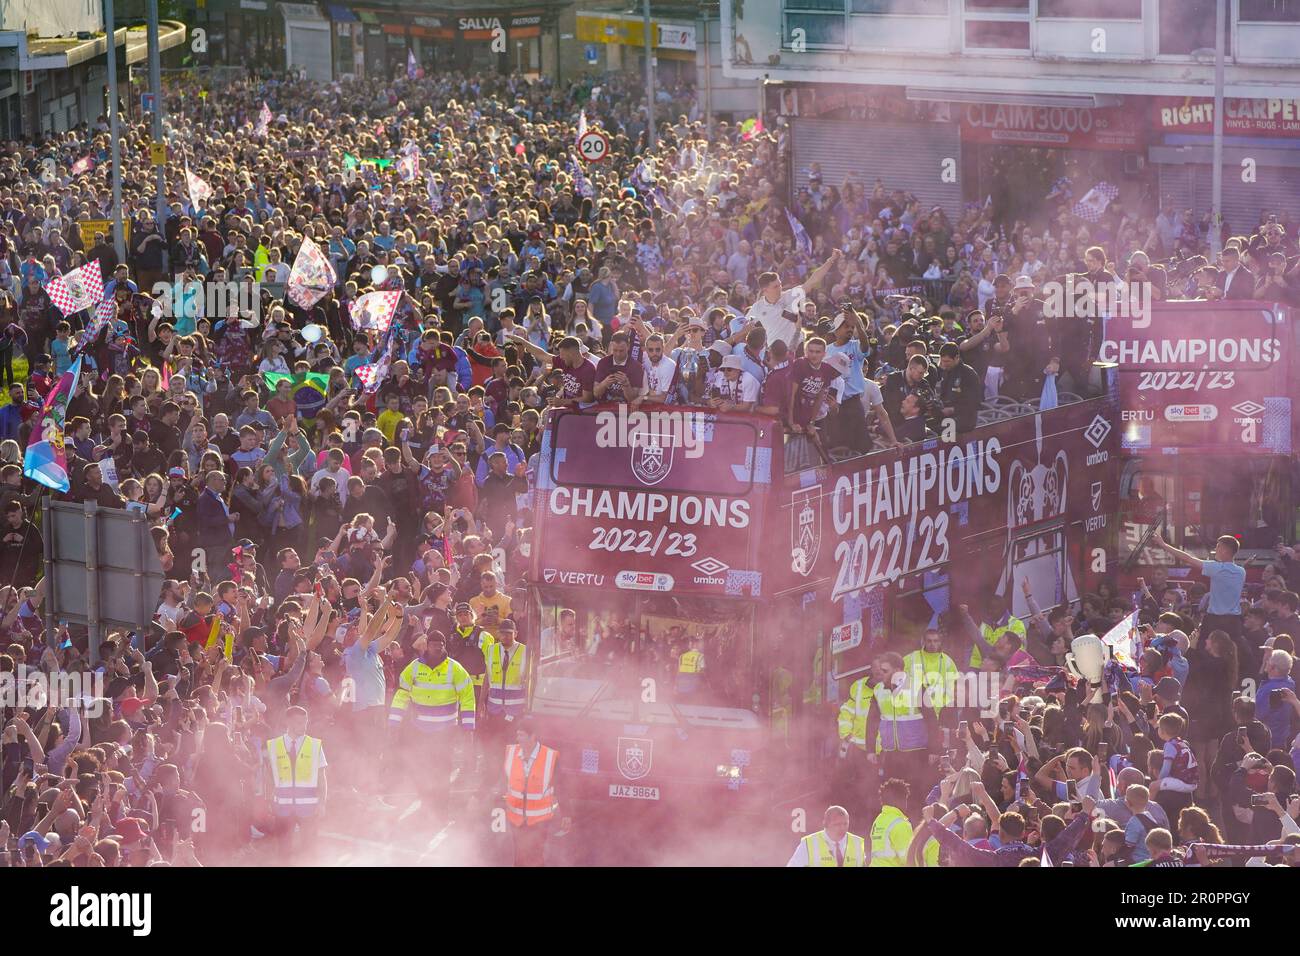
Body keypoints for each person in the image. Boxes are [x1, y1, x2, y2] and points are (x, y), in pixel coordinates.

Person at [389, 631, 477, 819]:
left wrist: (468, 728)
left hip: (445, 732)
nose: (438, 647)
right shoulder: (414, 668)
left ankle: (441, 809)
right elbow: (402, 694)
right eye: (434, 643)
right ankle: (426, 804)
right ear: (427, 645)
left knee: (442, 770)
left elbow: (468, 698)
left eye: (441, 644)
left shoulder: (455, 669)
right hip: (420, 730)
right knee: (421, 770)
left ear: (445, 646)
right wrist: (394, 723)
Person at [1152, 531, 1245, 640]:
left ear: (1225, 550)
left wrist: (1163, 545)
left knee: (1203, 651)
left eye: (1218, 547)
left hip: (1215, 621)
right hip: (1234, 622)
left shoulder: (1216, 568)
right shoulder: (1242, 571)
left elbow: (1187, 558)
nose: (1216, 550)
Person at [265, 705, 327, 861]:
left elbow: (322, 777)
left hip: (309, 807)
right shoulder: (273, 745)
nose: (304, 727)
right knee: (283, 851)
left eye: (305, 722)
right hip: (282, 808)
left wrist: (322, 803)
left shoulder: (315, 745)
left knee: (309, 851)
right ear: (288, 722)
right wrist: (268, 800)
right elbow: (269, 776)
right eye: (299, 723)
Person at [501, 719, 567, 866]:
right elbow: (501, 778)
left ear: (533, 736)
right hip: (516, 819)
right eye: (517, 735)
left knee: (535, 856)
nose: (518, 739)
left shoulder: (550, 757)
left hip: (539, 821)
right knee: (519, 855)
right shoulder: (511, 753)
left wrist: (566, 813)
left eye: (522, 736)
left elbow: (562, 786)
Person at [786, 805, 865, 867]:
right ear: (825, 824)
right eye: (837, 824)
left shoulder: (857, 843)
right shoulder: (808, 843)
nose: (842, 828)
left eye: (845, 824)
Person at [869, 778, 913, 867]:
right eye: (905, 799)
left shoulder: (878, 820)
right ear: (900, 800)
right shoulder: (901, 824)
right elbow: (909, 859)